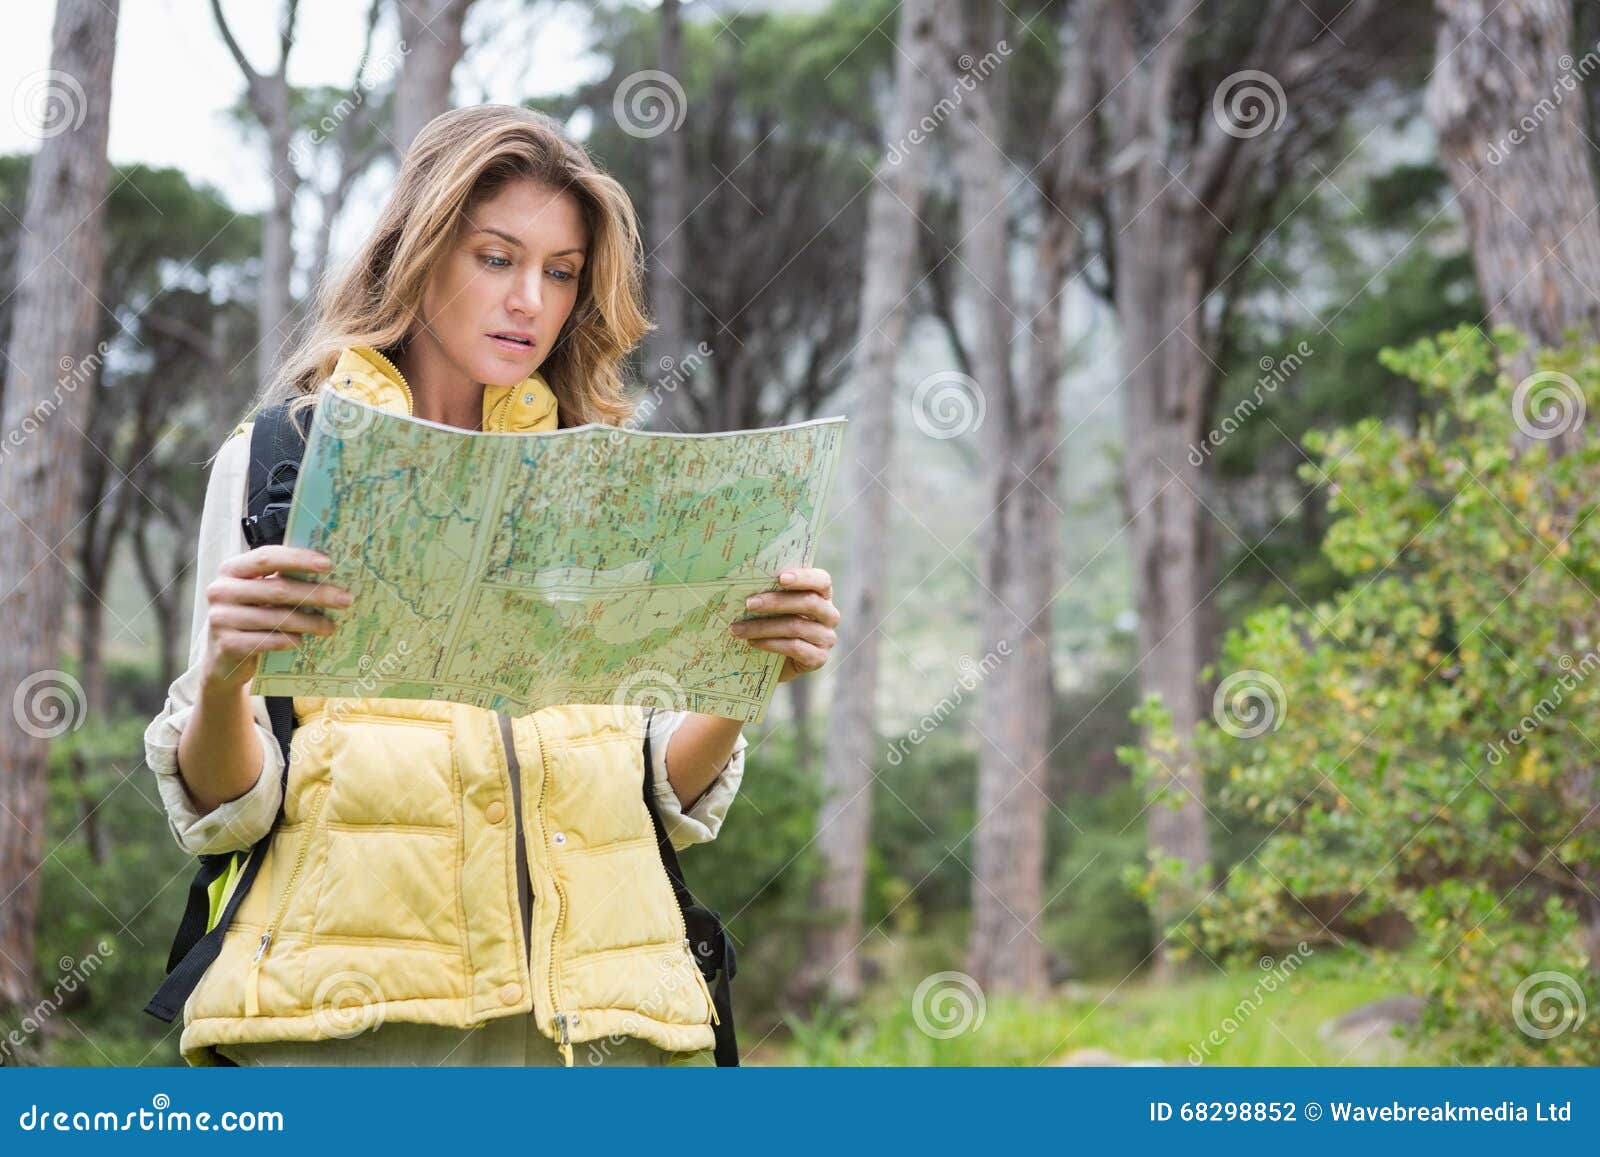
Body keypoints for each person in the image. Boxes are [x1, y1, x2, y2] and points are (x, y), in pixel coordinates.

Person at [143, 104, 841, 1067]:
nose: (530, 300)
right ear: (421, 254)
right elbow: (230, 805)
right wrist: (225, 676)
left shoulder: (607, 480)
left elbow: (649, 793)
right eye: (496, 258)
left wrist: (745, 676)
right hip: (356, 1039)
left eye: (560, 273)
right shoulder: (281, 465)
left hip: (613, 1035)